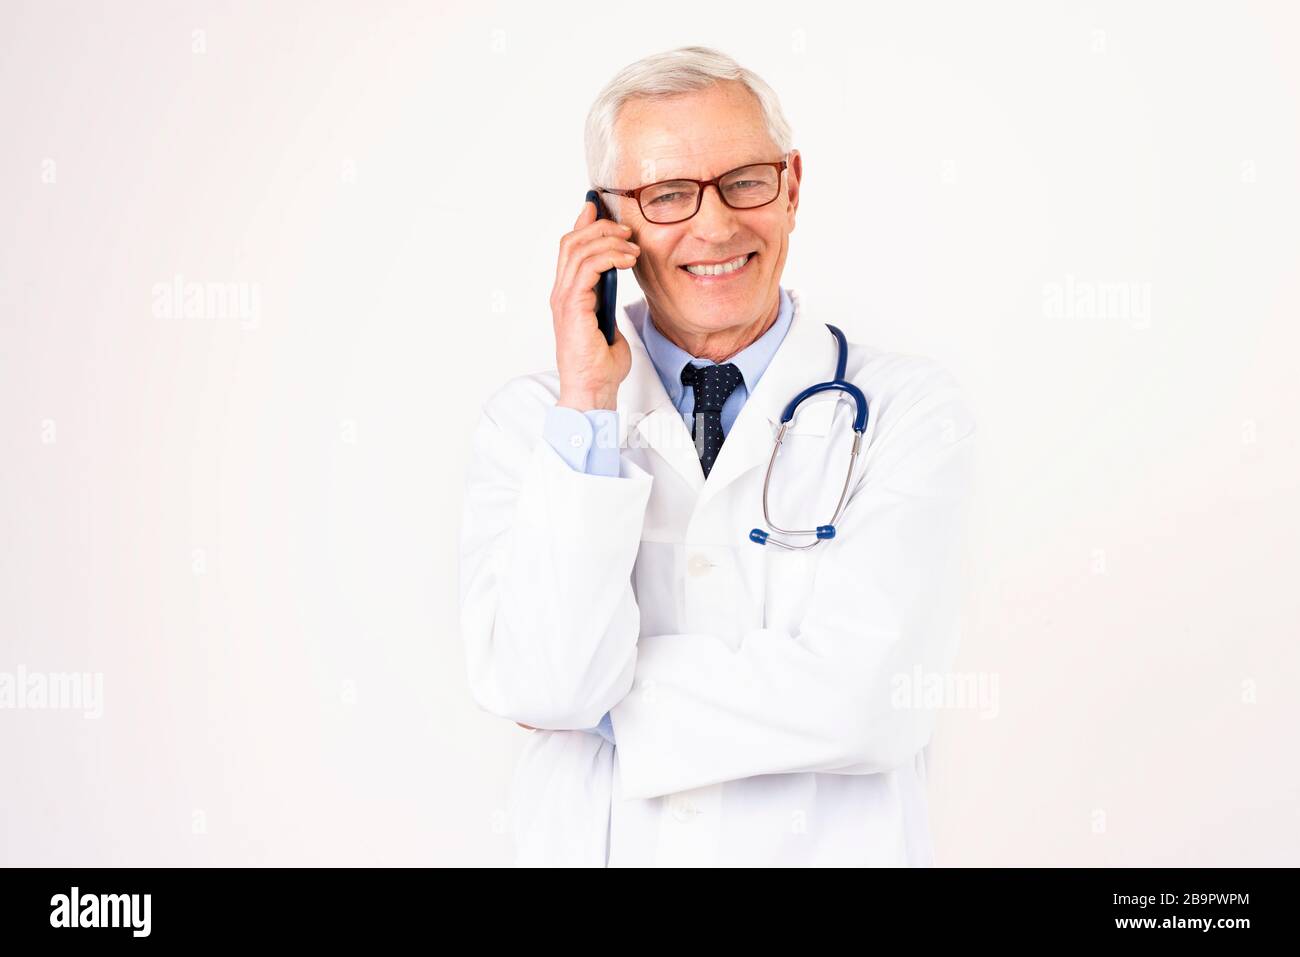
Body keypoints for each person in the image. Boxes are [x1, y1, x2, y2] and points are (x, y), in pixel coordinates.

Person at [458, 46, 976, 866]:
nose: (716, 224)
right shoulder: (536, 425)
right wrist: (588, 404)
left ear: (793, 186)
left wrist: (601, 697)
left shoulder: (907, 413)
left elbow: (872, 702)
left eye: (745, 180)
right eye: (668, 195)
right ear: (607, 221)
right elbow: (544, 682)